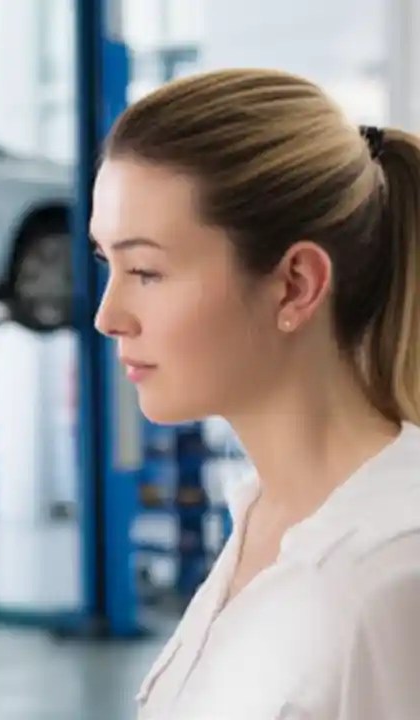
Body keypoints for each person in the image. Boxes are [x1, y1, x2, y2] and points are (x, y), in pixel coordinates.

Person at [91, 67, 420, 718]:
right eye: (108, 265)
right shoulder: (264, 517)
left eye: (146, 271)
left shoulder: (384, 581)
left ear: (295, 284)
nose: (107, 316)